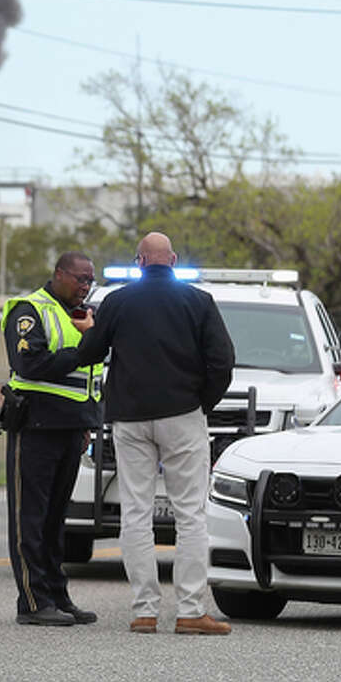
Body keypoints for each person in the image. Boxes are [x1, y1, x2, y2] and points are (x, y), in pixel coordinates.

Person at [74, 232, 235, 635]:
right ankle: (190, 610)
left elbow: (91, 353)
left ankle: (144, 610)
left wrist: (89, 329)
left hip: (129, 418)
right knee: (190, 514)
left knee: (136, 512)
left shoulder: (117, 302)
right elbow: (222, 362)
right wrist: (202, 403)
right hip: (181, 414)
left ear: (140, 262)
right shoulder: (198, 301)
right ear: (174, 260)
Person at [0, 251, 103, 627]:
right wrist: (81, 348)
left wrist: (89, 420)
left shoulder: (83, 317)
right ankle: (31, 600)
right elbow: (31, 364)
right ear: (58, 274)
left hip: (73, 427)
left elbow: (91, 379)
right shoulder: (29, 310)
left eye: (89, 280)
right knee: (31, 517)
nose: (84, 286)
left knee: (56, 520)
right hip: (37, 426)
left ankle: (57, 595)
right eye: (79, 278)